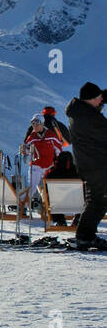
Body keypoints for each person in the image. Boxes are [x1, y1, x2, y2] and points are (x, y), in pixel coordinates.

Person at [66, 83, 107, 251]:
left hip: (89, 163)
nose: (101, 100)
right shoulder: (90, 118)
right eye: (98, 98)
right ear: (91, 100)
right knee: (98, 200)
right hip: (95, 164)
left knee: (96, 199)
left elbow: (98, 97)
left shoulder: (80, 110)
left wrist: (101, 96)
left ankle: (85, 235)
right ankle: (84, 236)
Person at [21, 113, 64, 212]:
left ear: (42, 123)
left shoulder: (51, 135)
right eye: (33, 124)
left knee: (48, 188)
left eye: (36, 124)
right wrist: (25, 150)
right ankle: (23, 207)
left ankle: (51, 209)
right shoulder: (32, 137)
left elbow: (58, 149)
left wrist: (57, 163)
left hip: (48, 166)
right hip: (36, 166)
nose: (34, 126)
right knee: (31, 187)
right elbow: (27, 150)